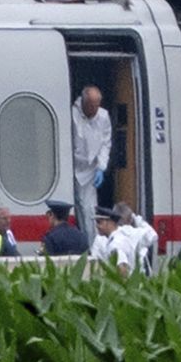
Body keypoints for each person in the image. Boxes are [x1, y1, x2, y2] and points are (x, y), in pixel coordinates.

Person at [72, 85, 112, 245]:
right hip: (72, 167)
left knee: (89, 210)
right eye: (91, 106)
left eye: (97, 105)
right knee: (75, 208)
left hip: (90, 170)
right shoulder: (72, 114)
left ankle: (92, 248)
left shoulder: (103, 116)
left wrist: (101, 167)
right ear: (83, 102)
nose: (94, 110)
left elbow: (106, 143)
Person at [114, 201, 158, 275]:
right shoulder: (137, 233)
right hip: (137, 277)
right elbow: (153, 236)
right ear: (130, 219)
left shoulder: (111, 234)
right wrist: (137, 218)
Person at [92, 206, 136, 277]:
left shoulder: (116, 244)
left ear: (110, 223)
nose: (97, 226)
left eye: (99, 222)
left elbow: (122, 269)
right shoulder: (118, 238)